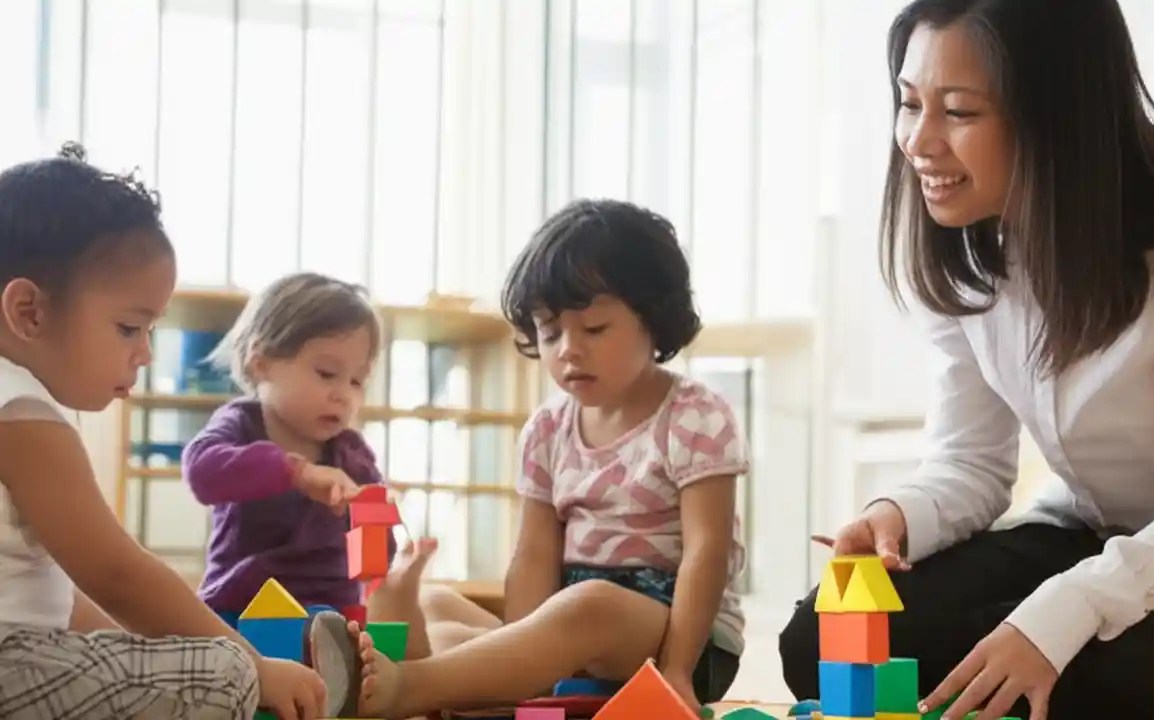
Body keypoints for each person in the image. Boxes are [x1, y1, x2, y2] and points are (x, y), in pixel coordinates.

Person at [777, 2, 1154, 719]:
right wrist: (898, 515)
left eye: (959, 112)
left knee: (1077, 679)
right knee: (817, 643)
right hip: (1093, 533)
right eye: (909, 103)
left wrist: (1057, 617)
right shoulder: (972, 247)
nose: (919, 141)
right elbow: (970, 466)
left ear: (1057, 115)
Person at [351, 198, 751, 718]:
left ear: (654, 321)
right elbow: (535, 553)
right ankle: (448, 688)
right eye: (549, 331)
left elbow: (707, 551)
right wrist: (524, 653)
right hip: (574, 629)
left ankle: (413, 687)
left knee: (591, 606)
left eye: (594, 329)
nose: (567, 350)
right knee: (441, 605)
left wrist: (677, 669)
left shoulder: (694, 416)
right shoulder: (547, 429)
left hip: (682, 637)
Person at [0, 144, 331, 719]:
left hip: (28, 653)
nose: (145, 353)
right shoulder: (22, 415)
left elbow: (62, 597)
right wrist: (253, 664)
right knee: (223, 673)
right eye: (129, 328)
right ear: (29, 312)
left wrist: (140, 648)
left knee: (180, 652)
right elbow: (117, 573)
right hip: (13, 665)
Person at [185, 271, 435, 715]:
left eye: (357, 381)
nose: (343, 396)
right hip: (240, 605)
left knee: (373, 639)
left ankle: (342, 683)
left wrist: (389, 548)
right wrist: (296, 473)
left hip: (332, 614)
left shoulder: (352, 453)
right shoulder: (239, 425)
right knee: (205, 644)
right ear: (261, 362)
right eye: (326, 374)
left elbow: (370, 561)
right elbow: (202, 472)